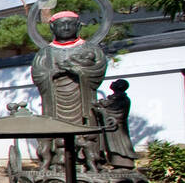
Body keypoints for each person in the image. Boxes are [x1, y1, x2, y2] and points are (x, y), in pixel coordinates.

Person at [30, 10, 107, 171]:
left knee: (86, 131)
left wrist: (77, 70)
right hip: (55, 99)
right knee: (55, 128)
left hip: (82, 98)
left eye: (70, 24)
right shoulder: (45, 52)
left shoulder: (90, 49)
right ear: (52, 27)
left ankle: (87, 161)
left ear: (78, 25)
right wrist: (53, 73)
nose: (65, 27)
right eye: (61, 24)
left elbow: (98, 69)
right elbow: (38, 74)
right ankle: (58, 160)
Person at [95, 79, 136, 169]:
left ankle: (124, 162)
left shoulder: (122, 99)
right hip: (111, 127)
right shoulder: (113, 98)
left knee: (119, 145)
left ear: (120, 86)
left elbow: (117, 113)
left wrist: (103, 111)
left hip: (117, 128)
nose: (113, 83)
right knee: (110, 145)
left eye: (116, 82)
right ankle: (115, 162)